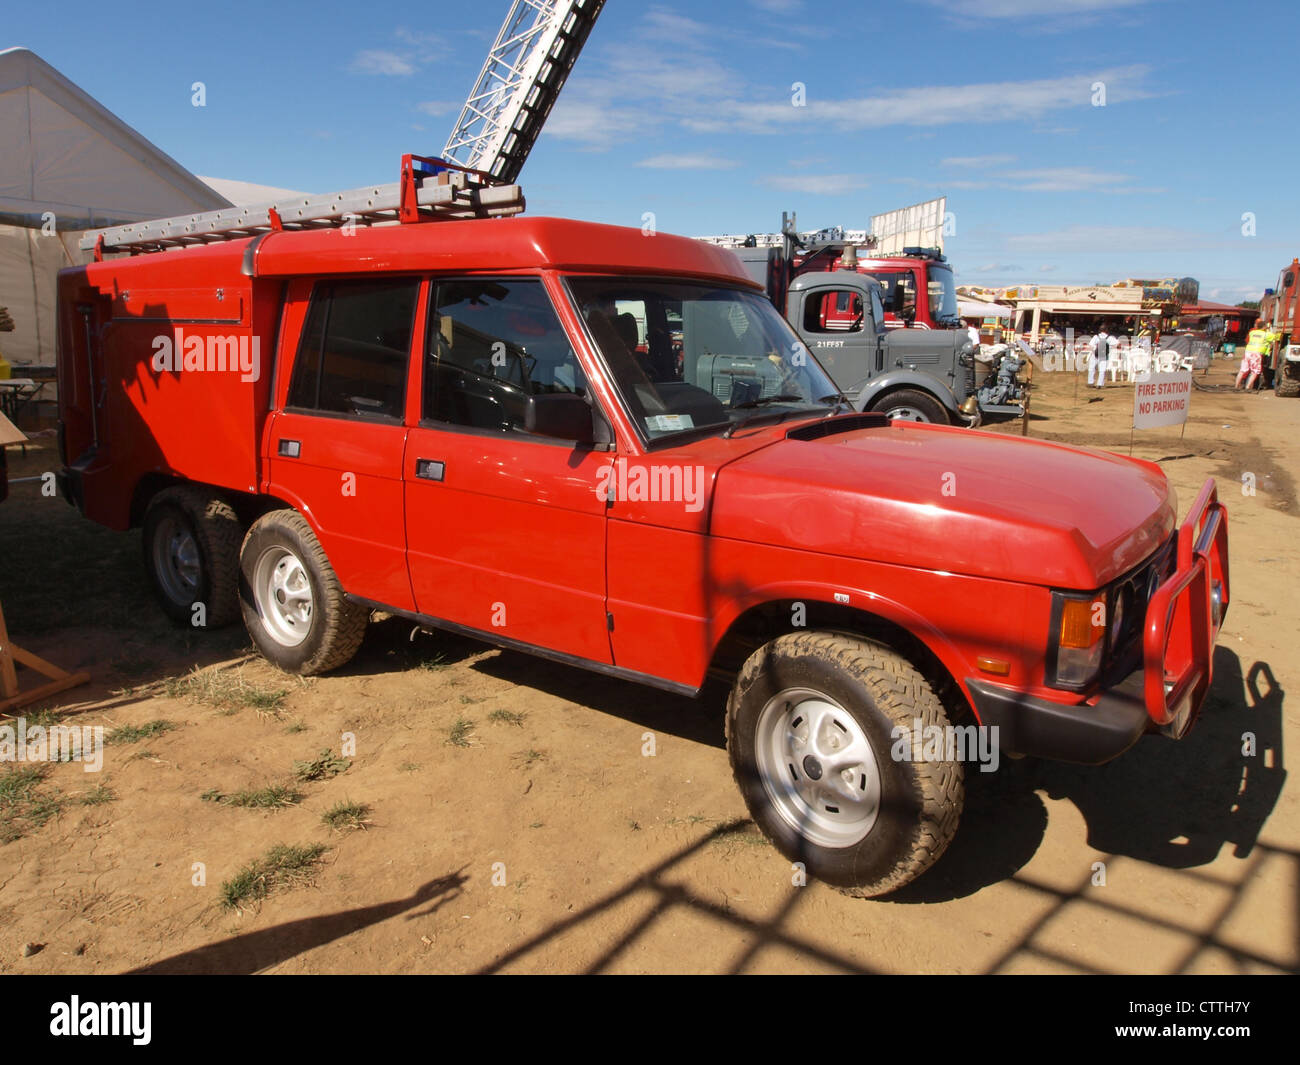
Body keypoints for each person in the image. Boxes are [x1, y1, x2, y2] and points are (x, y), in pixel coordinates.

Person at [1236, 322, 1272, 391]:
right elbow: (1276, 337)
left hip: (1248, 352)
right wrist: (1268, 329)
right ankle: (1248, 387)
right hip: (1256, 354)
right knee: (1255, 371)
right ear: (1264, 327)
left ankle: (1236, 385)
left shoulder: (1252, 333)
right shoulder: (1266, 334)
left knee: (1243, 370)